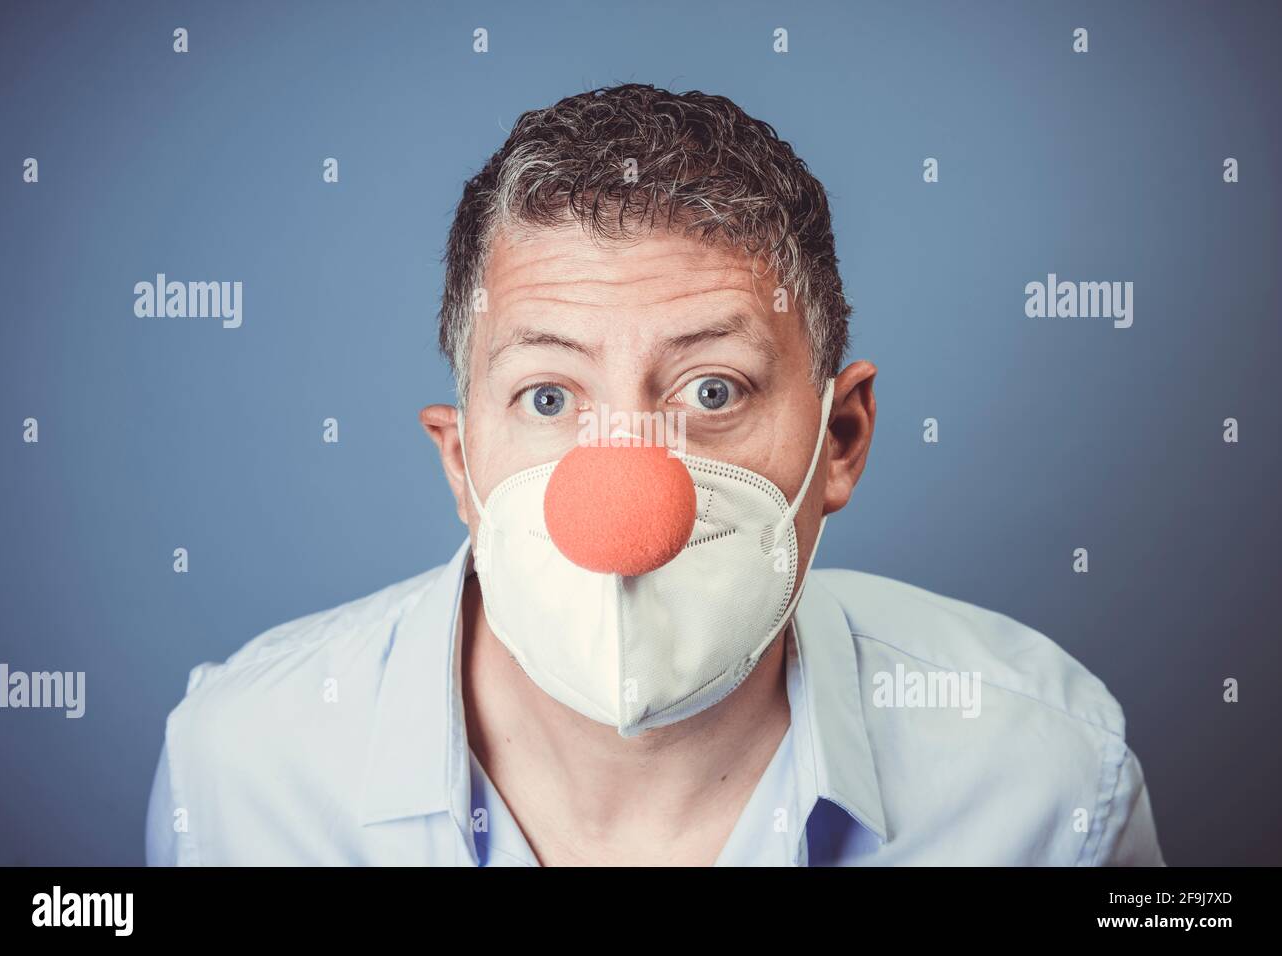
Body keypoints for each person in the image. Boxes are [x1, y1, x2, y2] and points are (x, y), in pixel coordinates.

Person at [146, 84, 1164, 866]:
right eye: (549, 397)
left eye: (711, 389)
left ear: (842, 438)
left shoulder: (1048, 774)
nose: (628, 496)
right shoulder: (241, 768)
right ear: (462, 461)